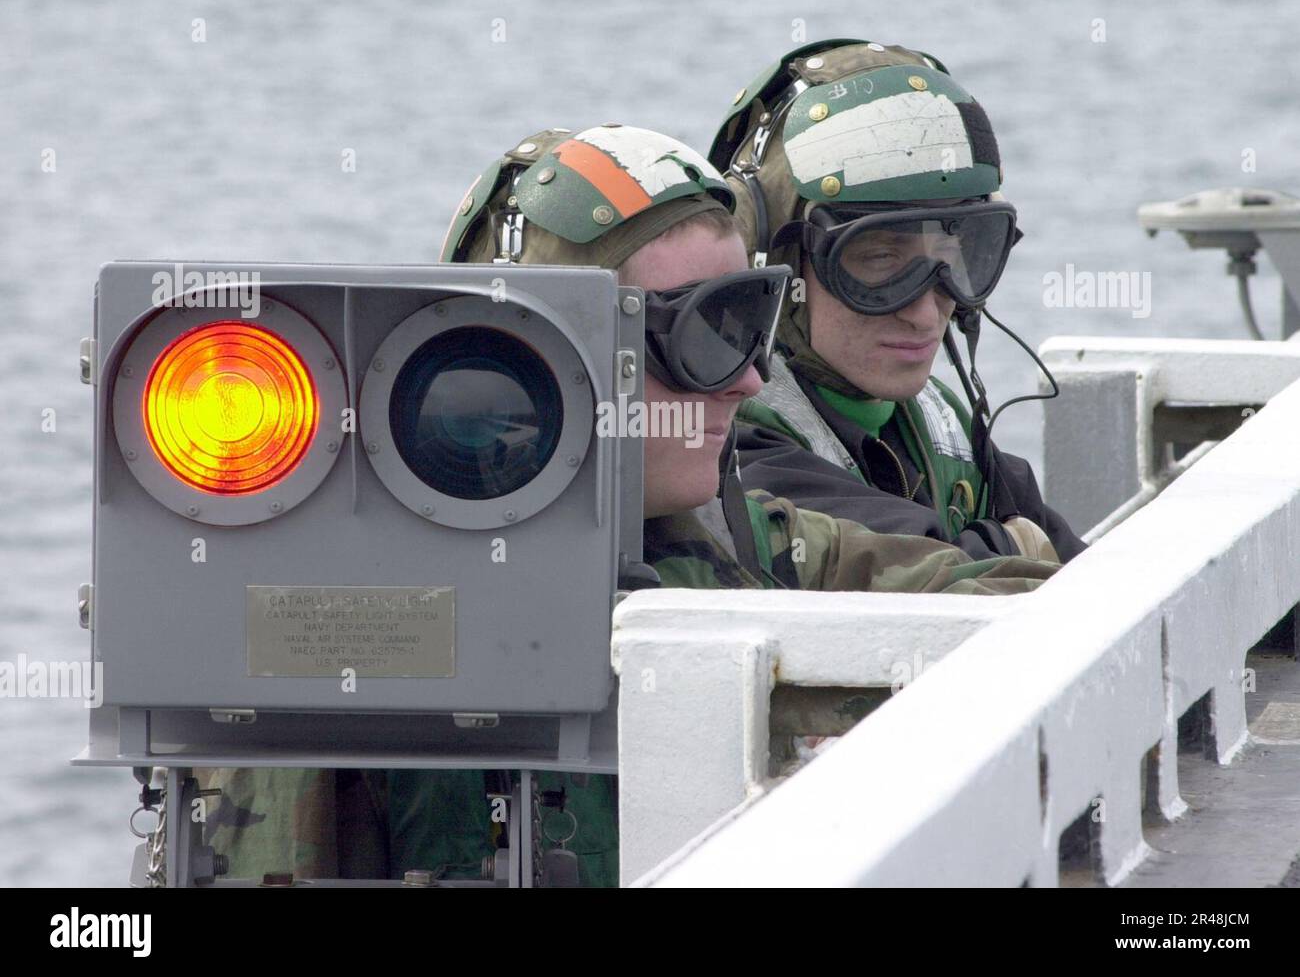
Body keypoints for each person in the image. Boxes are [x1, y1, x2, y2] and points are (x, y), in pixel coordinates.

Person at [200, 125, 1059, 888]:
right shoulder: (351, 629)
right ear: (543, 359)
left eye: (747, 322)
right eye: (700, 334)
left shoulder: (740, 544)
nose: (749, 379)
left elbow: (1023, 612)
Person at [709, 39, 1087, 564]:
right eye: (881, 262)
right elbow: (928, 570)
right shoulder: (730, 441)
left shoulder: (934, 418)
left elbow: (1093, 574)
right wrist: (1015, 541)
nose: (925, 313)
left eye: (952, 259)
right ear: (777, 261)